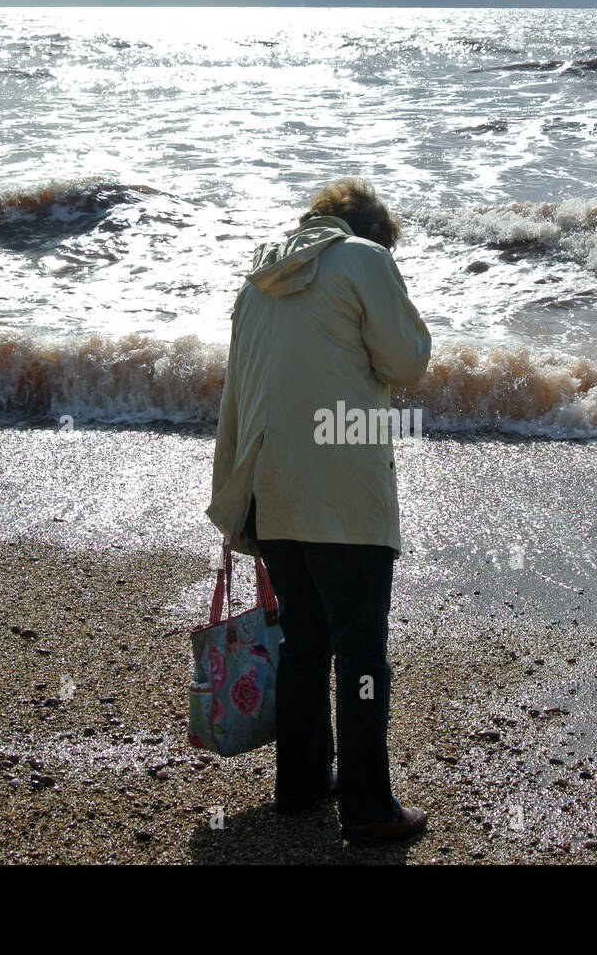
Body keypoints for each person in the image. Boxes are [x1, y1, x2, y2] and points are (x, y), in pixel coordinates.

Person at [206, 178, 432, 845]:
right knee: (362, 655)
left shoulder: (256, 284)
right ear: (370, 230)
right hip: (344, 491)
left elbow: (235, 402)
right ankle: (368, 808)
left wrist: (235, 501)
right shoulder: (366, 260)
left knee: (305, 643)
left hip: (273, 486)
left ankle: (302, 784)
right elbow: (408, 360)